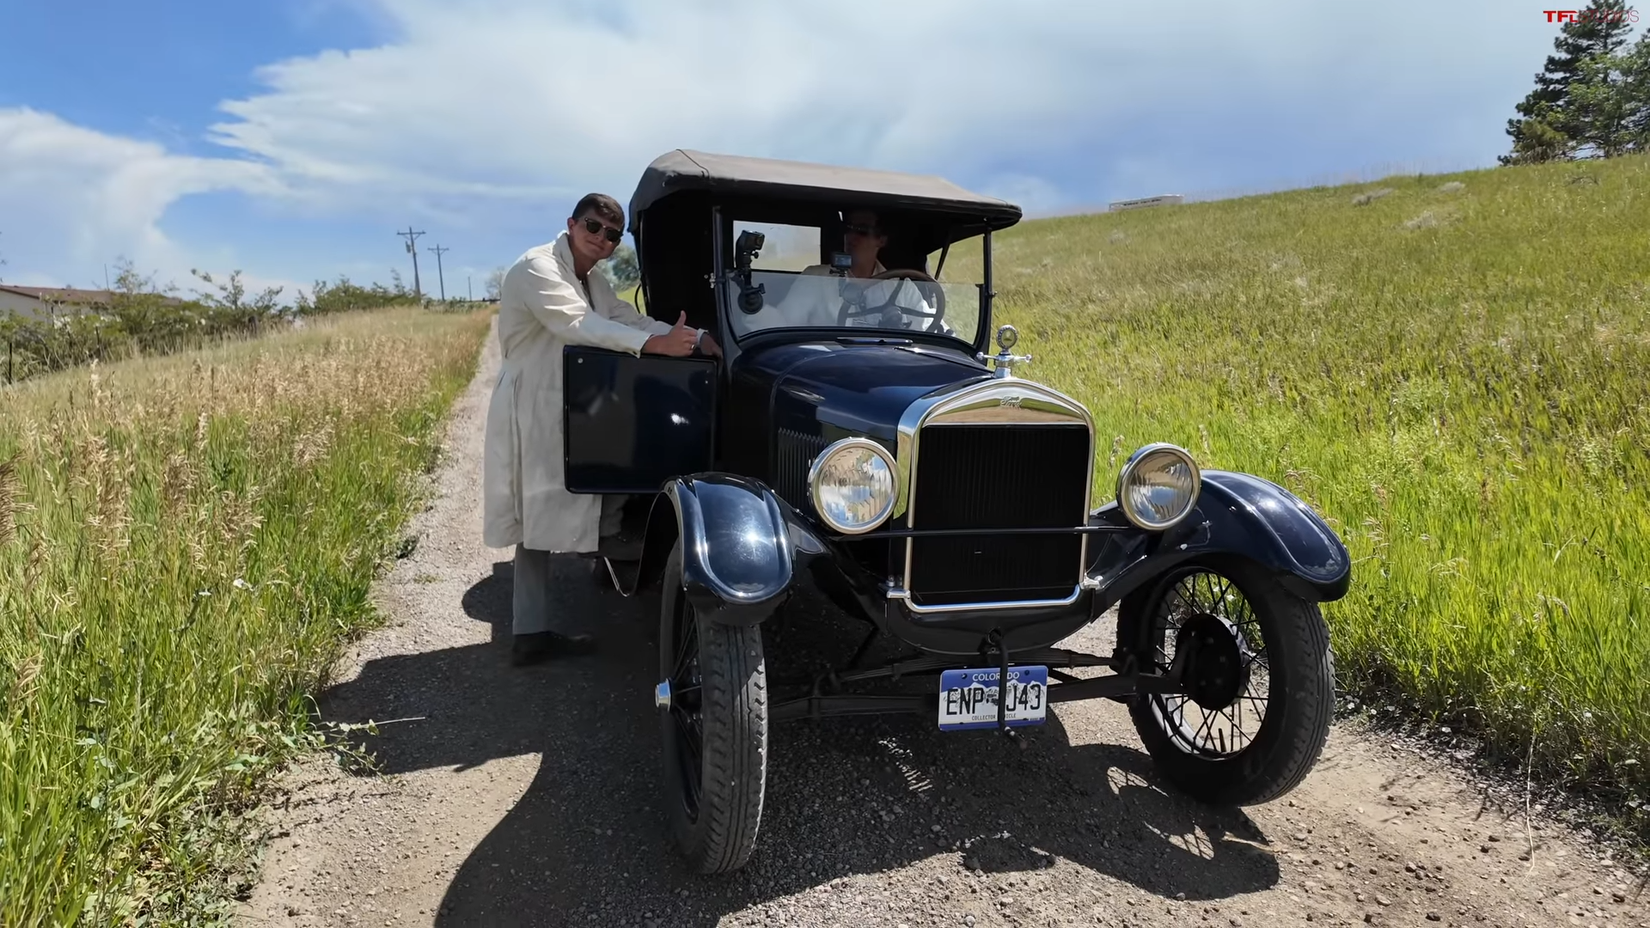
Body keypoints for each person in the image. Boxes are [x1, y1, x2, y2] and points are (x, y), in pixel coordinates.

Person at [482, 192, 722, 666]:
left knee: (586, 476)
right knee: (534, 510)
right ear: (572, 223)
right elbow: (578, 324)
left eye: (612, 235)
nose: (602, 239)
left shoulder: (593, 280)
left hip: (572, 398)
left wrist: (693, 337)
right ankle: (531, 631)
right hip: (532, 402)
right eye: (593, 227)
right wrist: (654, 345)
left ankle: (600, 550)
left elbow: (622, 318)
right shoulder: (538, 268)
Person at [770, 207, 942, 330]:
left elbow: (930, 325)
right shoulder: (816, 278)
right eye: (848, 229)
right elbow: (783, 325)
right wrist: (754, 311)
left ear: (881, 240)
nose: (851, 237)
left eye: (862, 230)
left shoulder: (902, 287)